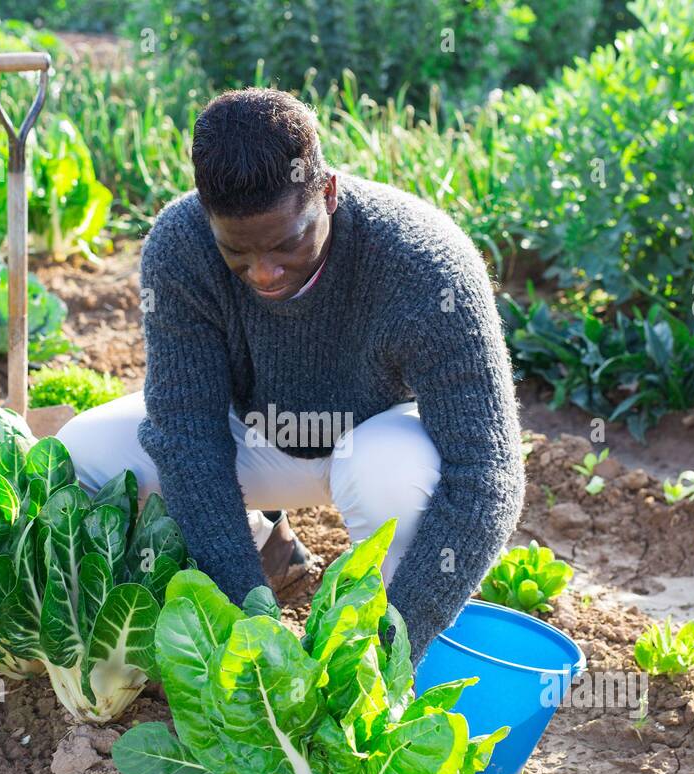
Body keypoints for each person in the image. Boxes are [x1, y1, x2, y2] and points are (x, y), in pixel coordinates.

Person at [57, 87, 523, 663]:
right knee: (85, 452)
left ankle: (399, 653)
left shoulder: (424, 263)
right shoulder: (181, 246)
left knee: (389, 480)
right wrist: (247, 617)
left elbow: (486, 473)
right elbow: (186, 437)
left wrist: (386, 652)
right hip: (255, 432)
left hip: (375, 437)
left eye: (286, 244)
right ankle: (265, 550)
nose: (264, 273)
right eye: (238, 252)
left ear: (327, 193)